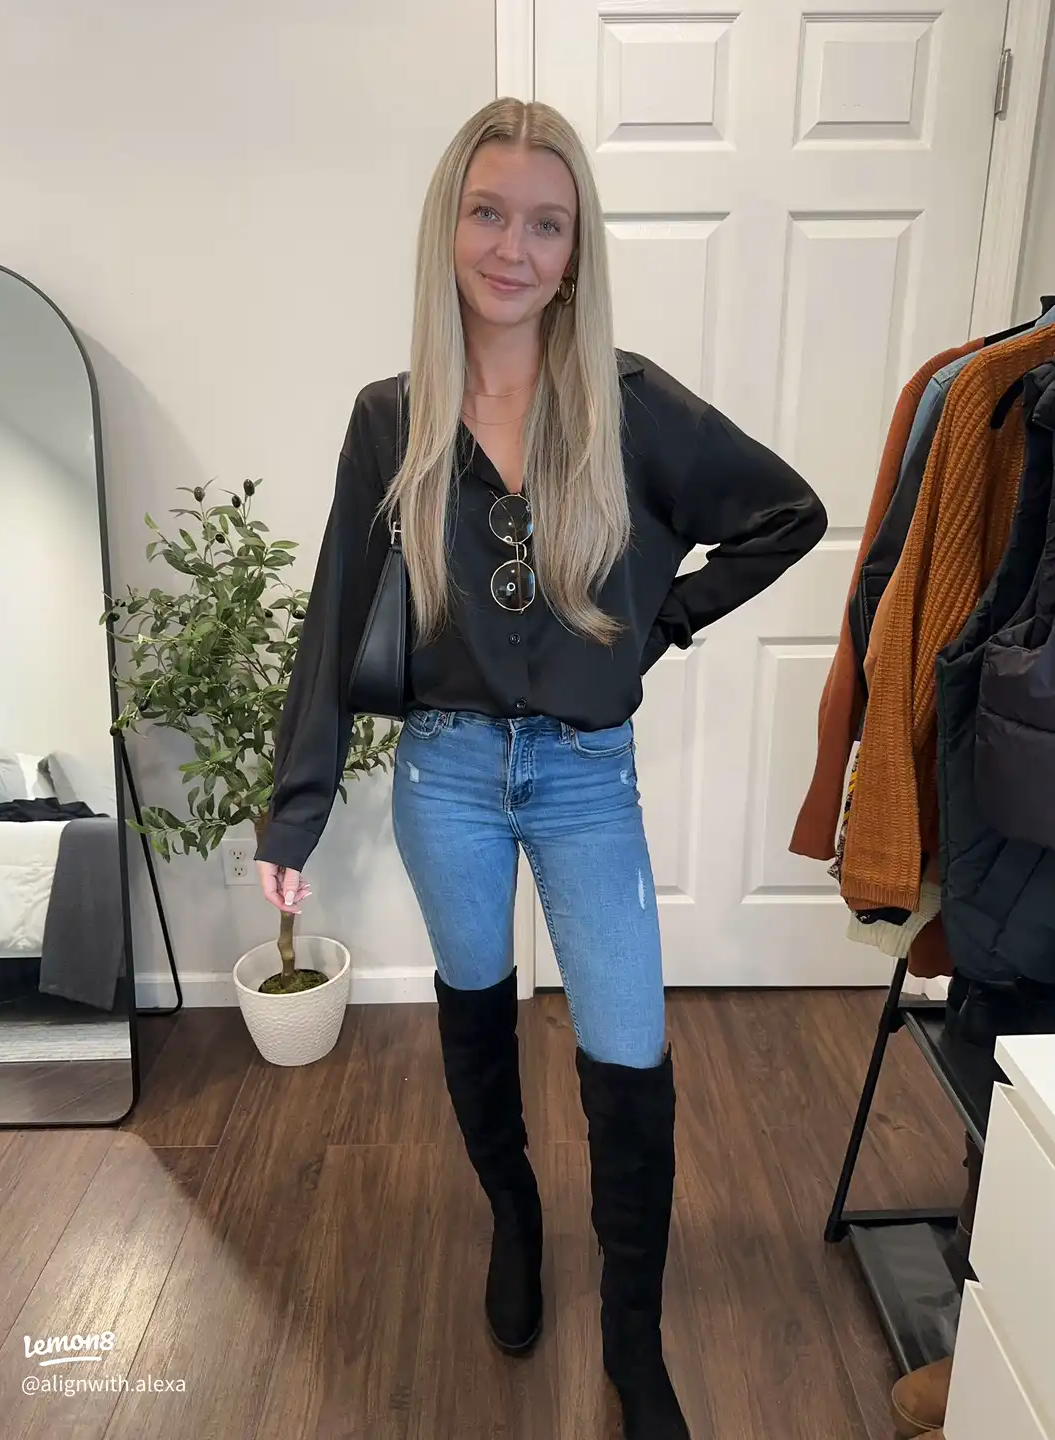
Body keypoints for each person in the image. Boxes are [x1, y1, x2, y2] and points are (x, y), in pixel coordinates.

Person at [255, 97, 827, 1440]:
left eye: (546, 225)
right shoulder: (391, 417)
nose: (513, 248)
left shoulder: (628, 405)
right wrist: (293, 814)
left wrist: (657, 624)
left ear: (577, 251)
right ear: (449, 226)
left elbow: (786, 514)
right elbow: (336, 614)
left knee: (628, 1053)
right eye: (489, 213)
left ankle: (634, 1337)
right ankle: (513, 1217)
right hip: (444, 777)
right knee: (474, 1010)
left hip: (584, 781)